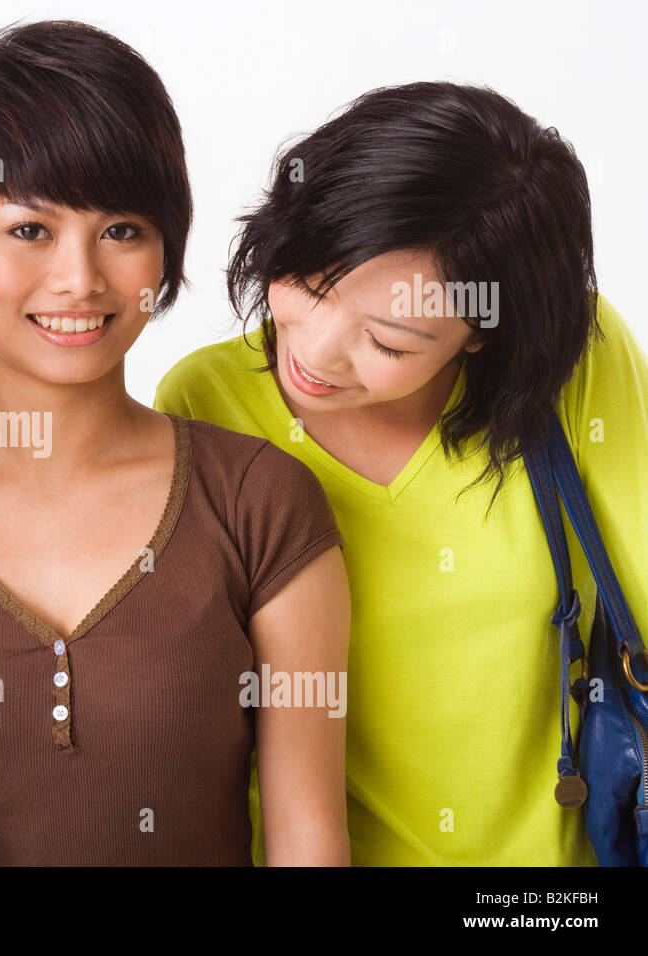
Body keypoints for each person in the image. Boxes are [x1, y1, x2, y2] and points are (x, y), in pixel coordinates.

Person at [0, 19, 350, 866]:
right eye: (29, 230)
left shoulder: (259, 502)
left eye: (122, 230)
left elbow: (308, 840)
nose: (80, 279)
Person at [155, 80, 648, 865]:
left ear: (486, 333)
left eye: (388, 342)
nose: (313, 354)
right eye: (309, 285)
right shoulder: (203, 399)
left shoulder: (575, 367)